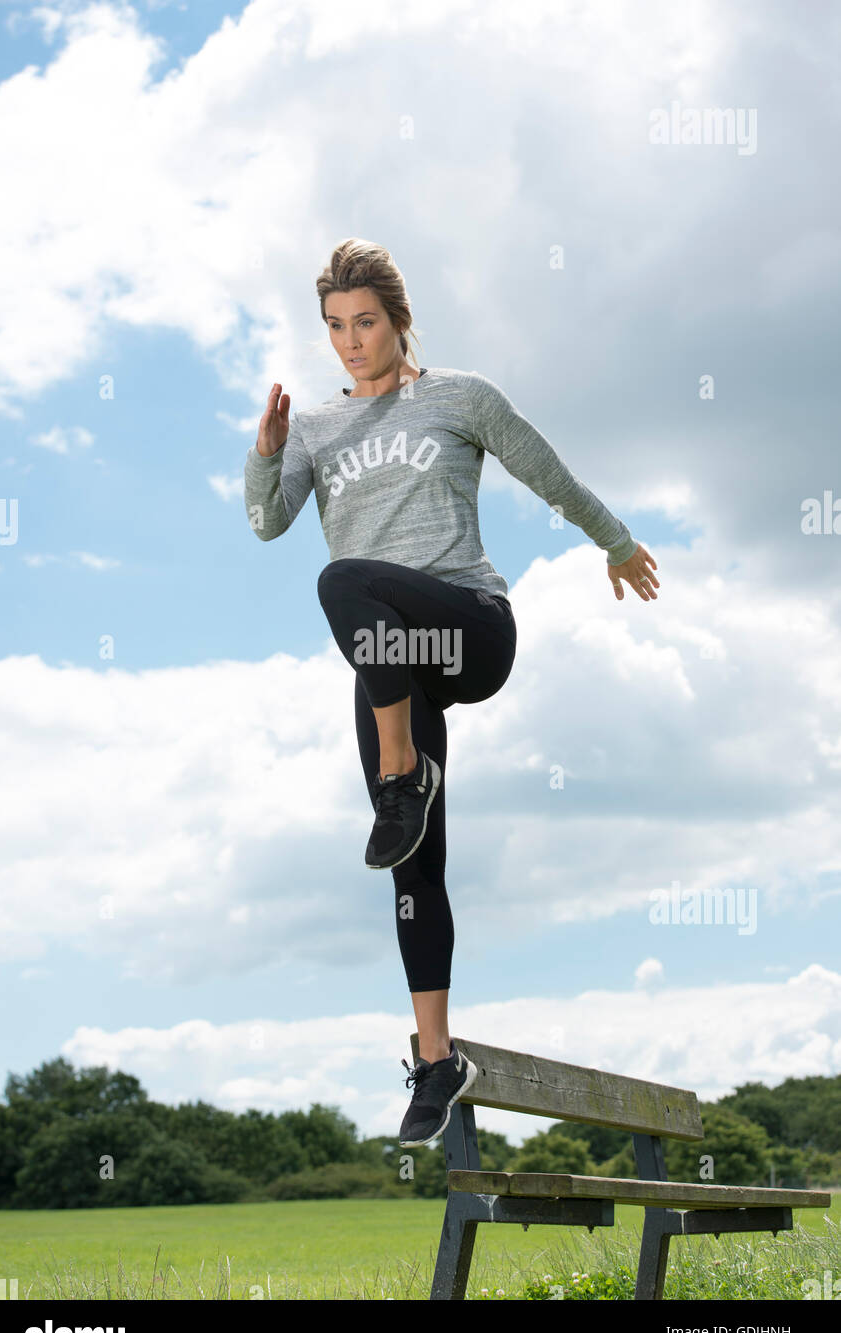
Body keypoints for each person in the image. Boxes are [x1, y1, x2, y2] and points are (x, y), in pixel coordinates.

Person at [244, 238, 660, 1148]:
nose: (351, 343)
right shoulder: (315, 428)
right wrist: (266, 453)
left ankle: (403, 775)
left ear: (398, 320)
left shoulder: (457, 397)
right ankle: (437, 1062)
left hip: (467, 627)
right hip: (390, 661)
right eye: (334, 329)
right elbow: (267, 522)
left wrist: (616, 541)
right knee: (411, 863)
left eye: (365, 324)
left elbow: (545, 471)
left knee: (343, 579)